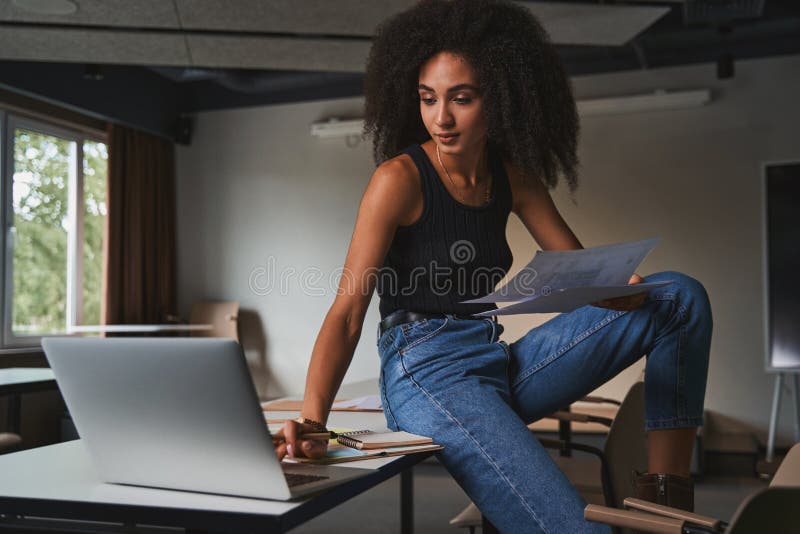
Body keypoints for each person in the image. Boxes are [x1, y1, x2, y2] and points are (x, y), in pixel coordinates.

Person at [274, 1, 712, 532]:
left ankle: (664, 502)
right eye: (427, 99)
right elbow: (348, 310)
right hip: (426, 370)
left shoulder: (516, 178)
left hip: (494, 359)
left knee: (678, 297)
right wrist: (314, 421)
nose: (441, 118)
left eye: (462, 98)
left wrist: (617, 289)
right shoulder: (398, 180)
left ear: (498, 100)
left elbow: (578, 275)